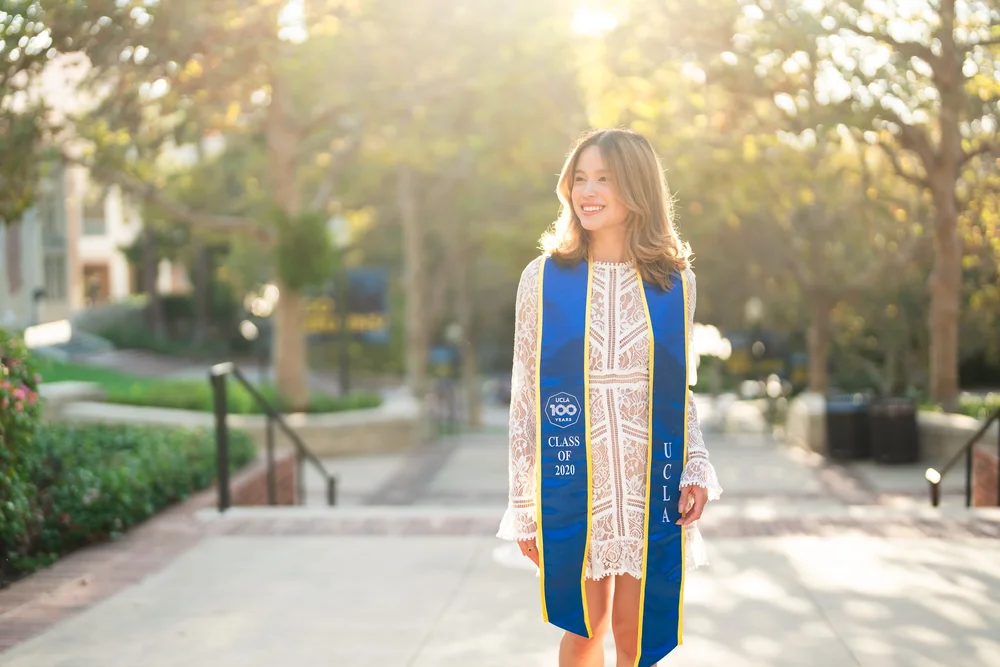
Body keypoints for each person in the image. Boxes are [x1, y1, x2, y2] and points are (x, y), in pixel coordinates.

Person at [497, 128, 723, 667]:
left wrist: (694, 463)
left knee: (636, 630)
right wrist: (526, 509)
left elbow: (677, 390)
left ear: (637, 189)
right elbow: (526, 399)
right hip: (577, 476)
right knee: (585, 627)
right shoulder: (545, 279)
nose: (587, 191)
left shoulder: (674, 282)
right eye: (580, 178)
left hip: (649, 476)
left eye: (604, 178)